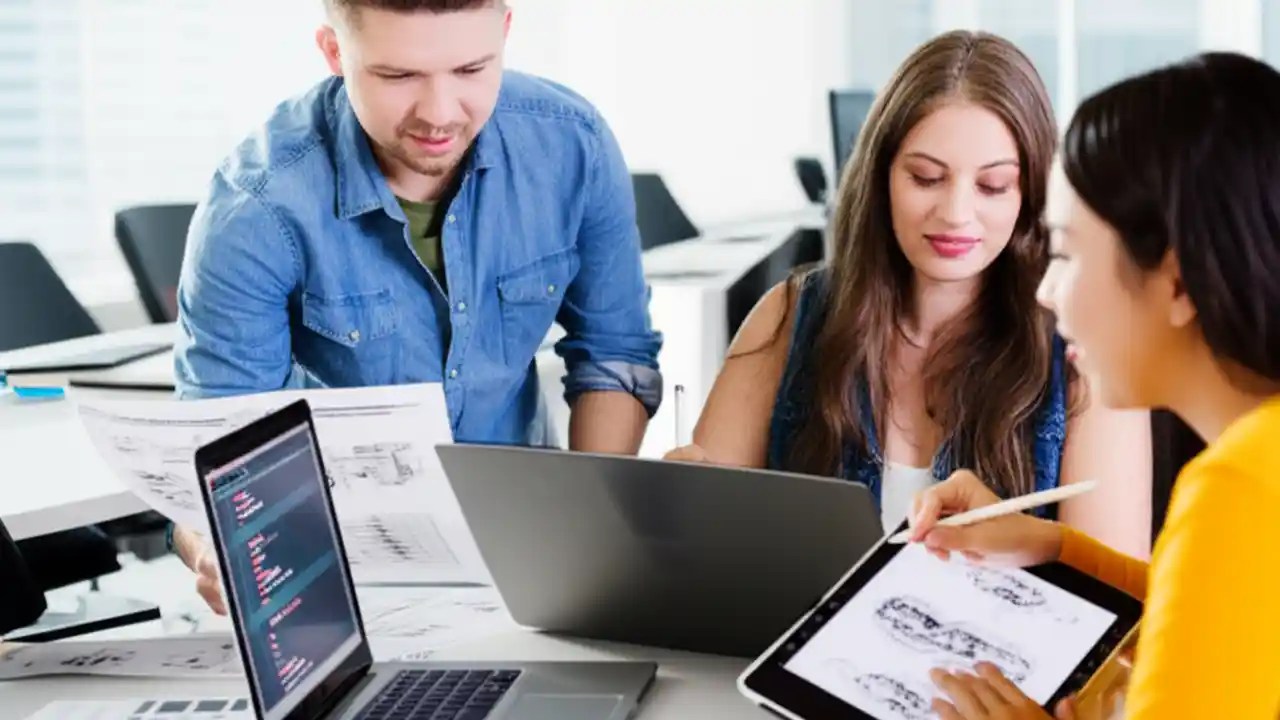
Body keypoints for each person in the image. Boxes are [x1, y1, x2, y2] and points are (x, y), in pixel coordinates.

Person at [171, 0, 663, 614]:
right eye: (398, 76)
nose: (439, 113)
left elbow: (614, 355)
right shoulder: (258, 207)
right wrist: (217, 546)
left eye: (471, 69)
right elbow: (218, 443)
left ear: (505, 33)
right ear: (333, 52)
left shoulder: (572, 144)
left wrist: (590, 530)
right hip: (344, 571)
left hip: (536, 546)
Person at [666, 30, 1150, 554]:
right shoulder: (790, 318)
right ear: (882, 178)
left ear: (1030, 193)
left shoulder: (1086, 350)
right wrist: (677, 513)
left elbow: (1117, 605)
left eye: (992, 186)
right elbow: (698, 551)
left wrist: (1028, 551)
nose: (956, 213)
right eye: (925, 178)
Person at [912, 52, 1280, 719]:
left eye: (1066, 253)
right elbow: (1218, 619)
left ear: (1173, 281)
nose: (1048, 293)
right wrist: (1051, 545)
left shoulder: (1239, 491)